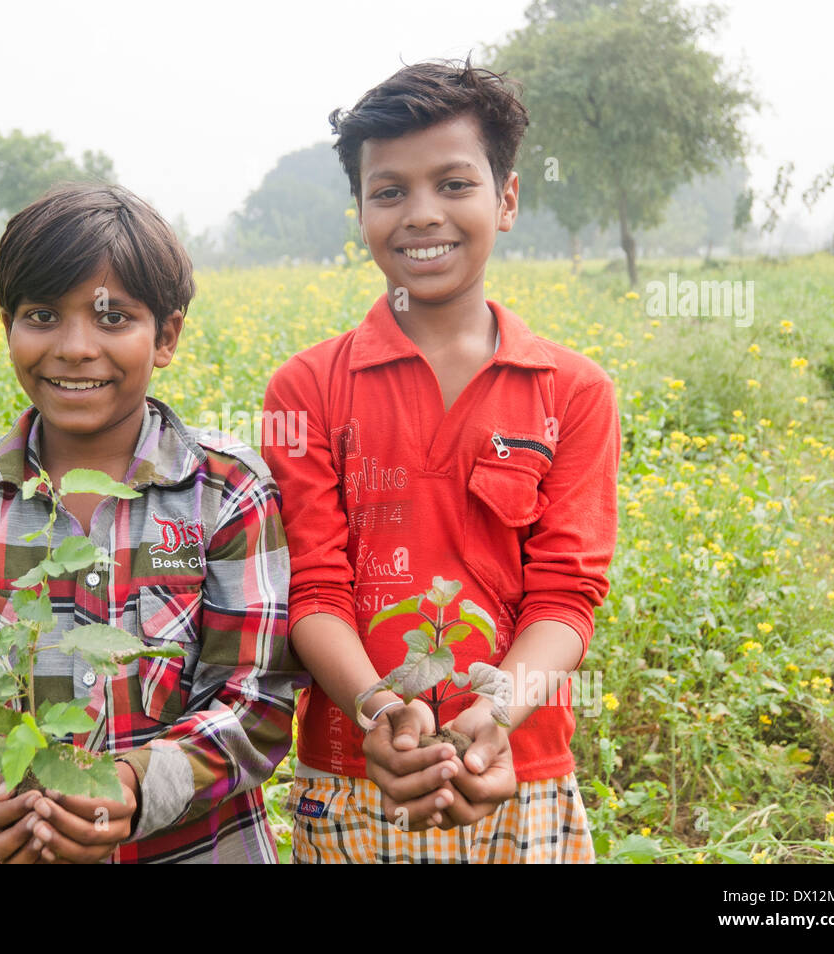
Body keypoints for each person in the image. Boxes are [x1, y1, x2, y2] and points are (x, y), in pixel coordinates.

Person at [261, 57, 621, 863]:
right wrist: (379, 710)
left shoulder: (574, 391)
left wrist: (495, 717)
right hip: (352, 775)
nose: (422, 215)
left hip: (517, 769)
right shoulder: (306, 387)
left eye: (454, 184)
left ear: (509, 198)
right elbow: (315, 587)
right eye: (389, 192)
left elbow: (566, 597)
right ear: (359, 212)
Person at [0, 183, 302, 863]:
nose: (75, 347)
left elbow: (257, 697)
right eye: (42, 315)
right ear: (8, 326)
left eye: (112, 319)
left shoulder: (225, 492)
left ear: (165, 336)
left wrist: (136, 786)